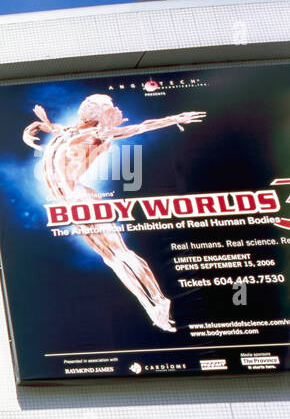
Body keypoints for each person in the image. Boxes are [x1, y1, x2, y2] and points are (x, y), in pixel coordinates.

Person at [23, 94, 205, 332]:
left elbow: (141, 127)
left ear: (102, 113)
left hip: (82, 200)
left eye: (95, 105)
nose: (85, 106)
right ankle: (152, 306)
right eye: (86, 102)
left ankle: (159, 300)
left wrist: (176, 118)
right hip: (69, 203)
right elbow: (54, 130)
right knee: (110, 258)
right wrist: (36, 128)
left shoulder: (100, 134)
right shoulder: (71, 130)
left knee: (120, 254)